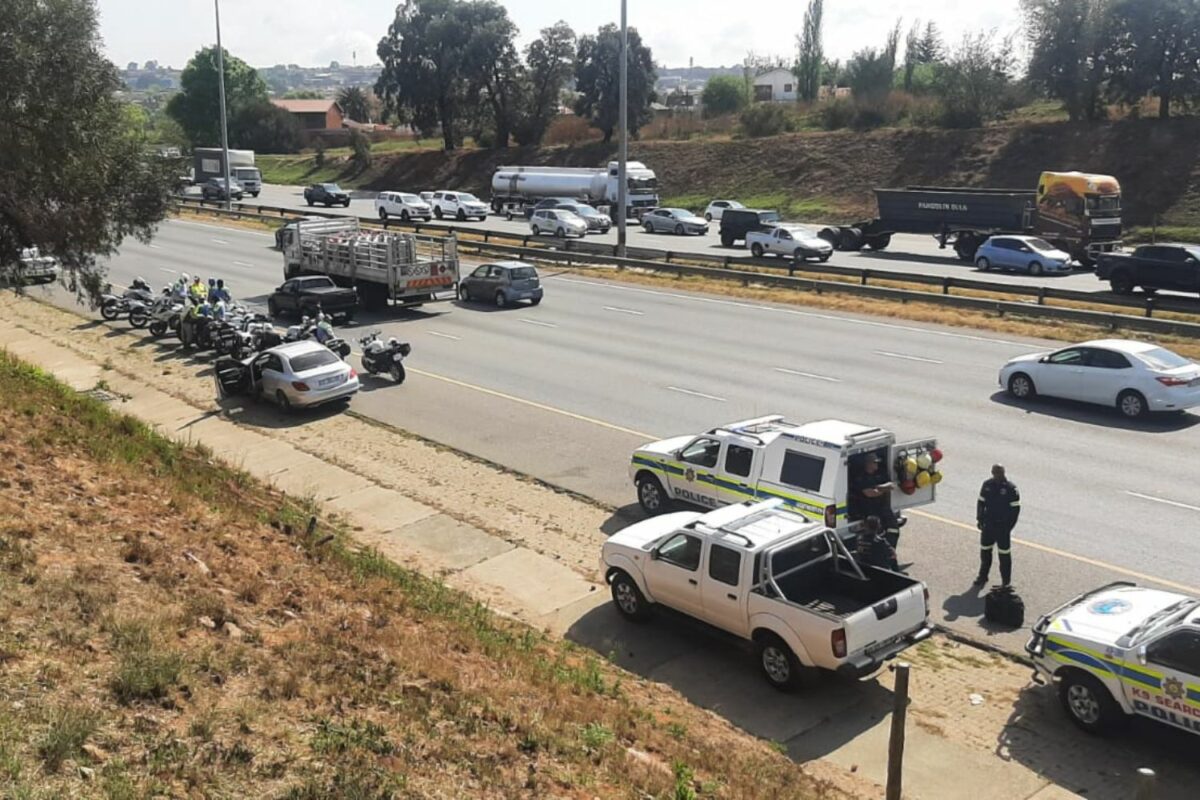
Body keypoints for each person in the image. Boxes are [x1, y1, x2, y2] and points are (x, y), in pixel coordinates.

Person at [975, 464, 1021, 586]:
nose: (997, 475)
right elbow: (981, 503)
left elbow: (1015, 510)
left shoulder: (1011, 488)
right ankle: (982, 577)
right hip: (988, 526)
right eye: (995, 472)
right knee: (985, 553)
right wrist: (980, 519)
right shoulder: (987, 485)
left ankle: (1006, 582)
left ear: (1004, 472)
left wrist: (1008, 528)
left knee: (1004, 556)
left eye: (999, 472)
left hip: (1002, 528)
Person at [850, 452, 900, 547]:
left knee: (894, 528)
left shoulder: (880, 473)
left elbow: (891, 485)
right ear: (868, 464)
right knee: (875, 533)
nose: (876, 464)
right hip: (869, 511)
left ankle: (890, 550)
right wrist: (882, 489)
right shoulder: (861, 477)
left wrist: (878, 488)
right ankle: (877, 554)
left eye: (877, 462)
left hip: (882, 508)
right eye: (874, 462)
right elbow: (870, 493)